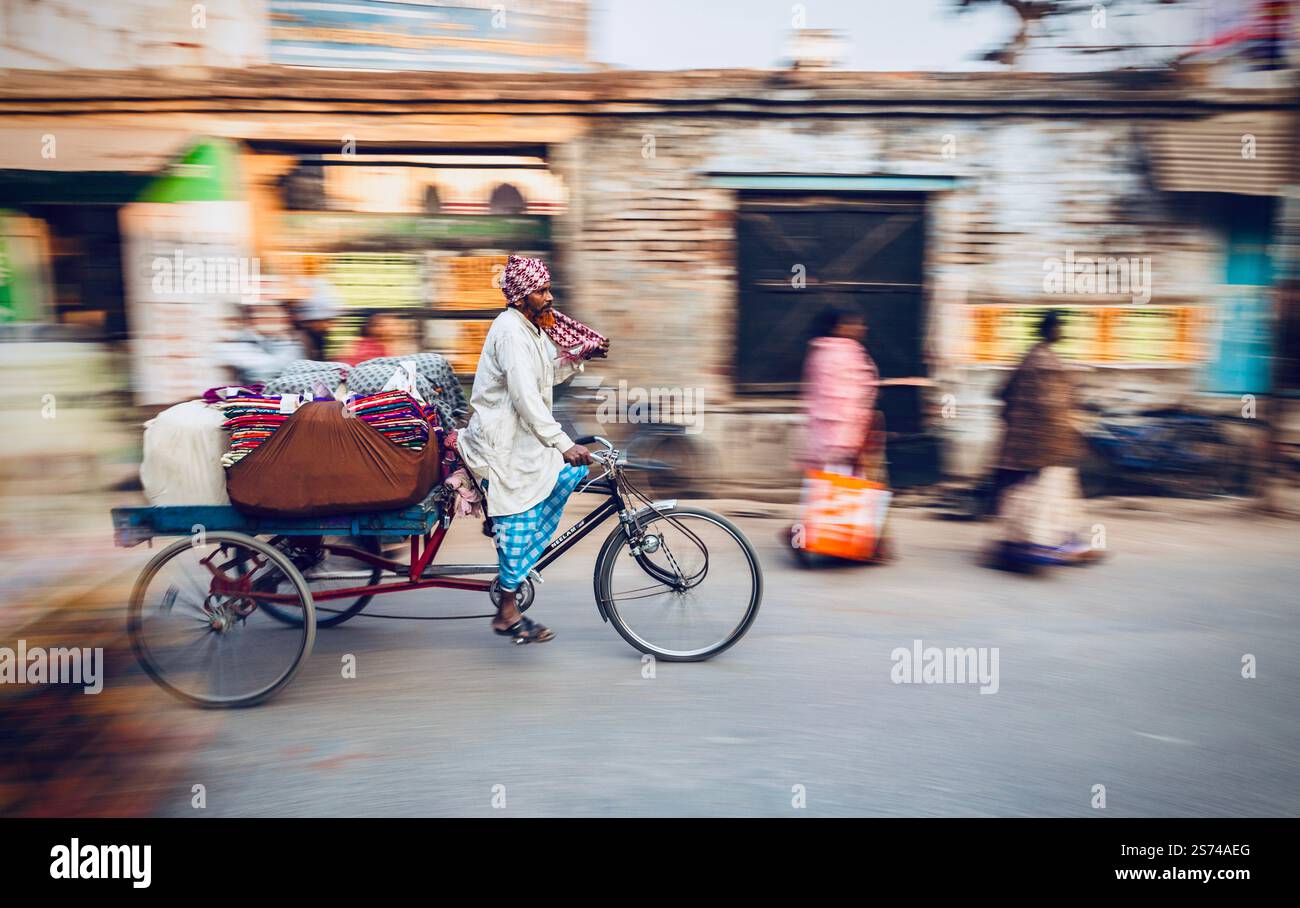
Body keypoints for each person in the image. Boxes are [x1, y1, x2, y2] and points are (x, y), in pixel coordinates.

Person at [455, 254, 609, 645]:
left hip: (522, 442)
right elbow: (525, 397)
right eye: (542, 291)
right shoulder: (509, 331)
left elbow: (542, 374)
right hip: (500, 447)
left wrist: (577, 357)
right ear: (522, 297)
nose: (549, 297)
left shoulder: (532, 330)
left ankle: (518, 572)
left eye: (548, 289)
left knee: (566, 475)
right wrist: (563, 443)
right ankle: (507, 610)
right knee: (518, 518)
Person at [984, 309, 1101, 572]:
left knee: (1037, 496)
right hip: (1041, 447)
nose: (1063, 332)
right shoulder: (1044, 362)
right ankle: (1029, 546)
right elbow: (1051, 407)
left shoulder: (1033, 359)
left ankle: (1036, 543)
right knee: (1038, 496)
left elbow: (1004, 394)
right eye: (1059, 327)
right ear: (1049, 330)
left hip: (1037, 446)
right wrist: (1071, 430)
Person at [788, 302, 891, 562]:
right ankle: (808, 539)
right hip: (844, 435)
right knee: (842, 492)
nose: (861, 328)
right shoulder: (846, 354)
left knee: (835, 491)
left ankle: (854, 545)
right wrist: (856, 440)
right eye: (854, 323)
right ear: (839, 327)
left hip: (825, 435)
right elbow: (849, 399)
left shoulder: (820, 352)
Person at [216, 300, 307, 386]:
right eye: (266, 314)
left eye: (276, 314)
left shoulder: (291, 342)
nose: (273, 319)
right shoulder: (238, 341)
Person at [344, 309, 411, 366]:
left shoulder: (401, 345)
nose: (392, 328)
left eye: (396, 324)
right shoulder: (367, 347)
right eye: (382, 325)